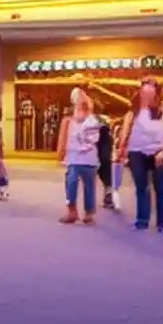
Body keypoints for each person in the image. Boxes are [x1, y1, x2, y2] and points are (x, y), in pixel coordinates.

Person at [118, 78, 163, 232]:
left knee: (161, 188)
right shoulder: (134, 112)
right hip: (137, 152)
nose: (145, 96)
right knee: (141, 187)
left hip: (159, 153)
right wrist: (121, 148)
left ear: (156, 95)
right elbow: (125, 131)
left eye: (149, 93)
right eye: (143, 92)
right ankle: (142, 219)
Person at [57, 89, 100, 225]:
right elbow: (63, 137)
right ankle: (72, 210)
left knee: (89, 186)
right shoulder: (69, 120)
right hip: (73, 158)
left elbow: (93, 139)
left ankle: (89, 213)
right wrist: (61, 151)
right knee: (71, 184)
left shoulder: (92, 120)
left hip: (89, 159)